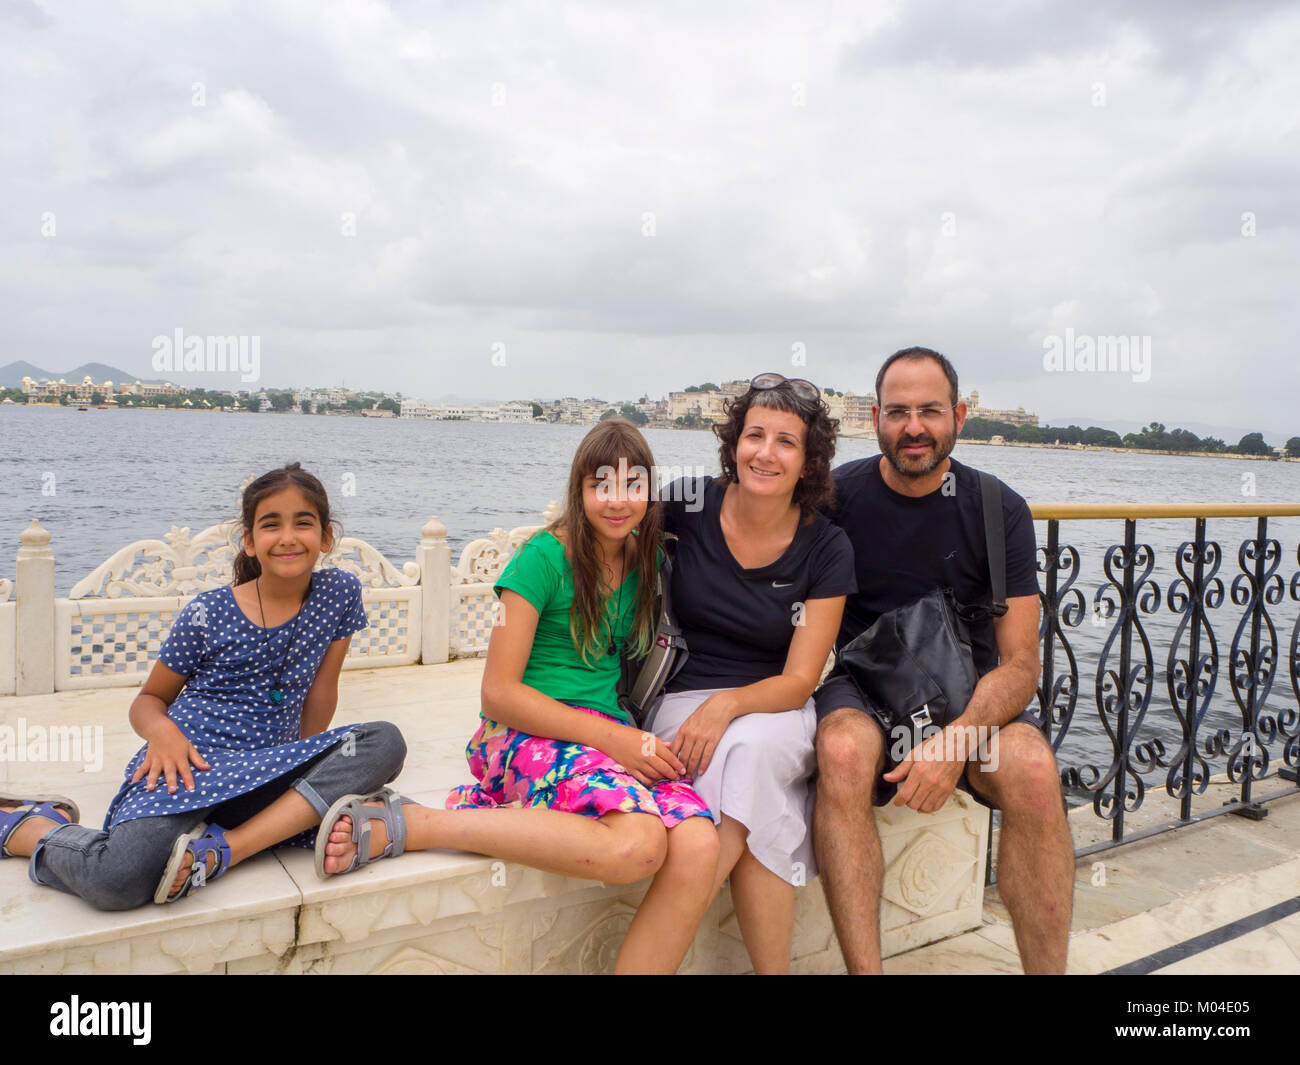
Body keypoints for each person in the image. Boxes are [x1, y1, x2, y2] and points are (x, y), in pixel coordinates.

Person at [316, 418, 717, 974]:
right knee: (638, 846)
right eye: (602, 484)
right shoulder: (542, 559)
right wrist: (618, 740)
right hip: (526, 731)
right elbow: (498, 693)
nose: (618, 500)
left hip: (602, 735)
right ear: (579, 490)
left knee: (698, 844)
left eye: (633, 485)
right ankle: (411, 824)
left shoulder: (641, 560)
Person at [0, 462, 409, 908]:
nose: (288, 537)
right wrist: (164, 735)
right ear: (250, 543)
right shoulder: (209, 612)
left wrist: (305, 765)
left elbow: (322, 691)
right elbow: (149, 700)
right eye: (271, 525)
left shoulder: (339, 593)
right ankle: (34, 826)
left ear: (326, 537)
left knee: (383, 740)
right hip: (190, 764)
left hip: (269, 766)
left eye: (303, 523)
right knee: (117, 880)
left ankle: (225, 850)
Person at [812, 346, 1073, 974]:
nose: (914, 427)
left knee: (1035, 768)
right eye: (898, 411)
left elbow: (1020, 667)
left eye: (930, 410)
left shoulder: (997, 509)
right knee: (842, 751)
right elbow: (737, 515)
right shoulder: (834, 498)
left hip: (968, 699)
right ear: (874, 416)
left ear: (959, 414)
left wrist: (955, 743)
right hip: (867, 693)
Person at [650, 374, 856, 974]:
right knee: (758, 801)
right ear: (733, 444)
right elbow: (608, 539)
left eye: (786, 442)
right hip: (679, 700)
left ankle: (655, 955)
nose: (766, 452)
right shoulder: (688, 503)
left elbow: (799, 680)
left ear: (807, 462)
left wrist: (727, 707)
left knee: (748, 751)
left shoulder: (827, 548)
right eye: (754, 435)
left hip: (773, 705)